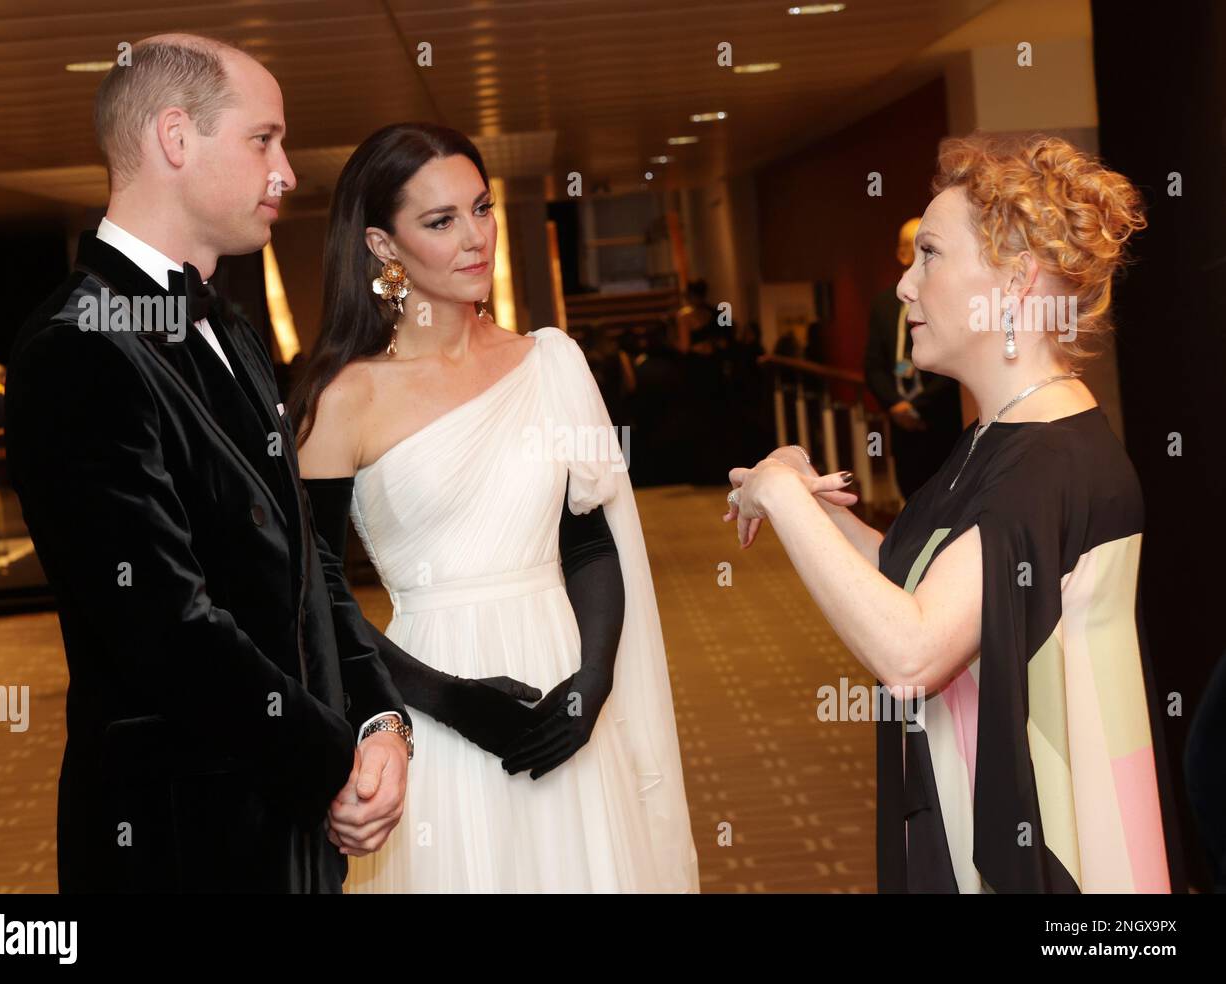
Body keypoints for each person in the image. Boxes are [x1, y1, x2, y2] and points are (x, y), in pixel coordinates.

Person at [6, 34, 415, 893]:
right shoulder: (75, 348)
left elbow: (310, 565)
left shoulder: (231, 329)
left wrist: (380, 718)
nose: (288, 171)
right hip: (179, 841)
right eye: (263, 139)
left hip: (292, 828)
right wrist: (334, 760)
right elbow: (163, 628)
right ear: (174, 139)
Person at [725, 133, 1175, 893]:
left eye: (929, 254)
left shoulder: (1049, 463)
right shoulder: (1006, 436)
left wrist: (775, 498)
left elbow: (914, 652)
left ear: (1016, 281)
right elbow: (923, 589)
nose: (904, 286)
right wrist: (812, 507)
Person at [292, 122, 699, 892]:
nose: (476, 237)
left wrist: (593, 684)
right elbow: (314, 595)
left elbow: (586, 543)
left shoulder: (550, 361)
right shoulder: (340, 400)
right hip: (428, 704)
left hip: (564, 700)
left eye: (481, 208)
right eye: (441, 221)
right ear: (382, 245)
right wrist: (451, 701)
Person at [865, 219, 964, 499]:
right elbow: (873, 366)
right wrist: (898, 407)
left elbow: (953, 361)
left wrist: (918, 408)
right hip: (902, 430)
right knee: (912, 502)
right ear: (900, 253)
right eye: (913, 244)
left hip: (942, 425)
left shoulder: (949, 300)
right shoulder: (883, 305)